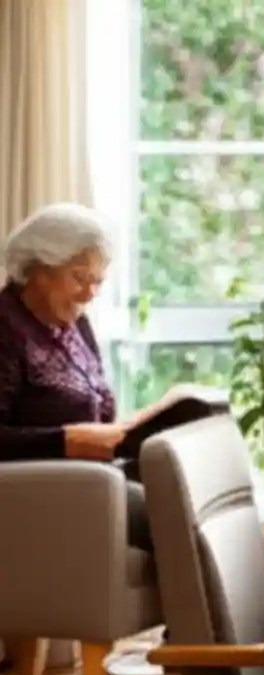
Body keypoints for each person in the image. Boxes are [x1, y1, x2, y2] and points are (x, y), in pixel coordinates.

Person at [0, 203, 150, 549]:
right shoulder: (5, 329)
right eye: (80, 278)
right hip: (49, 490)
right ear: (38, 269)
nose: (89, 294)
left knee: (194, 493)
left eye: (97, 282)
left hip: (98, 478)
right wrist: (66, 440)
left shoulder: (76, 325)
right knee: (170, 511)